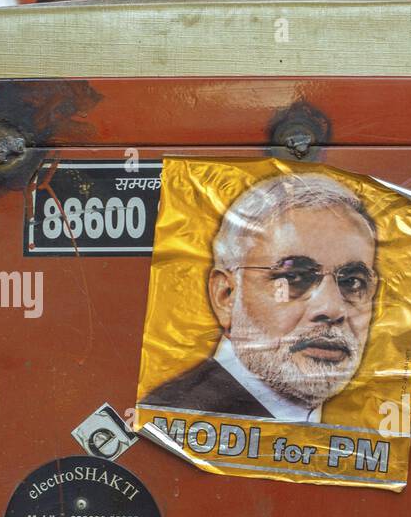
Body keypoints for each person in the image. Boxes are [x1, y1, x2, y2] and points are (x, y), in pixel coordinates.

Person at [144, 173, 378, 422]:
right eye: (294, 277)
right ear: (226, 295)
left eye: (352, 281)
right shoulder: (172, 420)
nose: (332, 308)